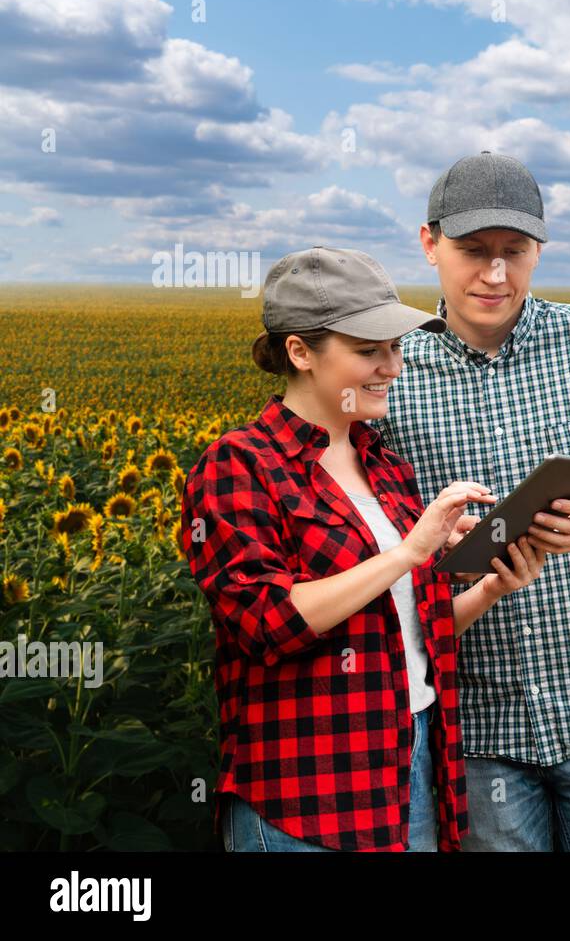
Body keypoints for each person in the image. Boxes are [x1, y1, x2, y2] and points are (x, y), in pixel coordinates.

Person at [370, 151, 570, 851]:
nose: (495, 274)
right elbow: (374, 552)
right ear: (429, 245)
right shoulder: (388, 367)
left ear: (539, 248)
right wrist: (444, 556)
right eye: (473, 252)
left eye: (514, 252)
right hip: (477, 727)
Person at [181, 245, 547, 852]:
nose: (392, 367)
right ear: (299, 352)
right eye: (368, 351)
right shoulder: (240, 465)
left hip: (412, 762)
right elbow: (267, 625)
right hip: (308, 789)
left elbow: (410, 634)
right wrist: (406, 553)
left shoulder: (386, 465)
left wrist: (491, 586)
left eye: (395, 349)